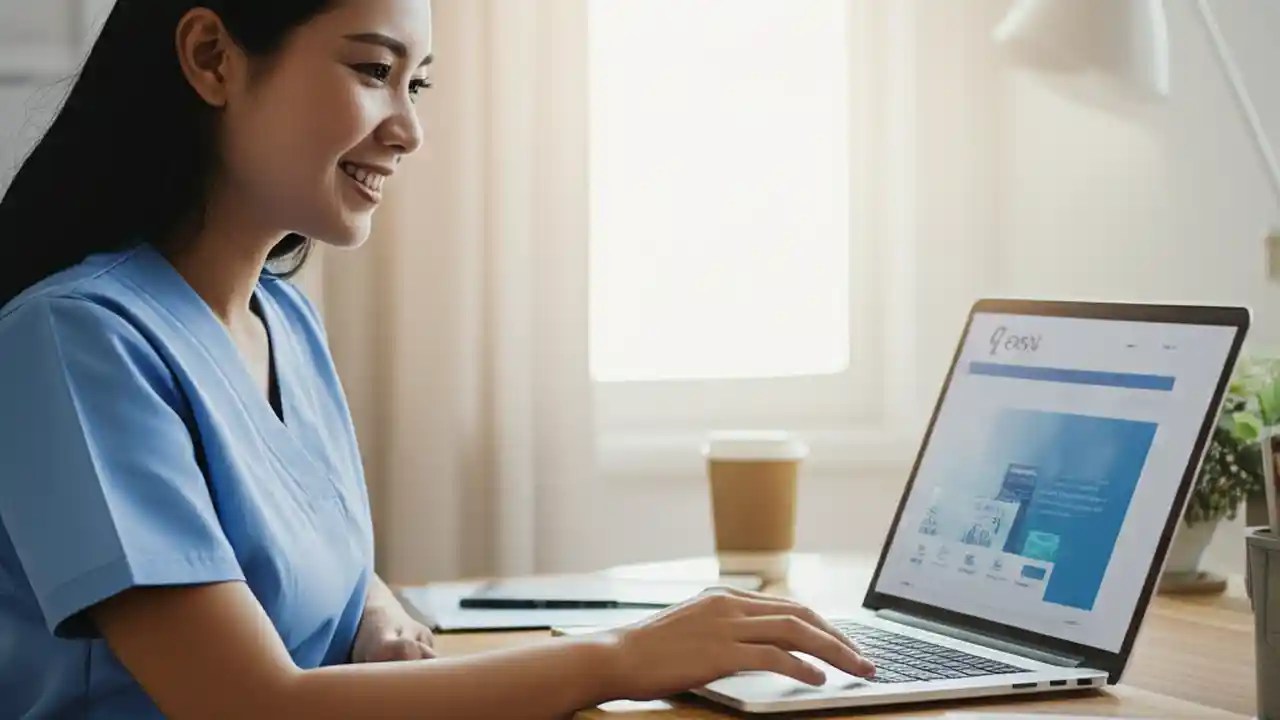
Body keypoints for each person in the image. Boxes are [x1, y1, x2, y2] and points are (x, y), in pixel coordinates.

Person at [0, 1, 875, 717]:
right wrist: (621, 657)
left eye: (416, 84)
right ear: (212, 58)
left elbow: (274, 553)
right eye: (374, 72)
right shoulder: (76, 341)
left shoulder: (284, 324)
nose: (410, 129)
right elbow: (248, 705)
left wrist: (375, 608)